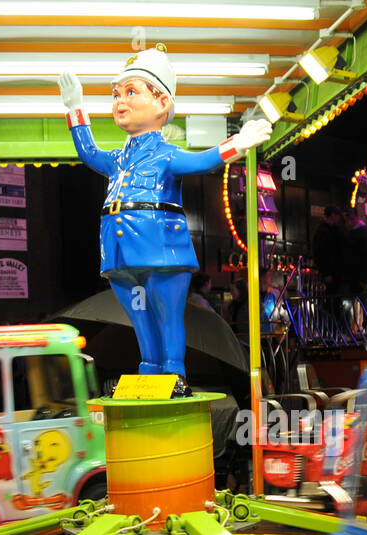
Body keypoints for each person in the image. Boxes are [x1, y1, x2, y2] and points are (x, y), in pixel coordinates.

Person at [58, 46, 271, 396]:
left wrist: (237, 145)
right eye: (116, 94)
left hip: (161, 248)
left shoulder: (167, 155)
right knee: (139, 315)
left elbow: (203, 161)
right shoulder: (117, 159)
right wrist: (75, 109)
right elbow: (89, 153)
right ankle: (151, 370)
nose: (119, 102)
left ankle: (174, 372)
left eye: (131, 92)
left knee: (166, 313)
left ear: (161, 103)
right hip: (120, 251)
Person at [312, 205, 345, 293]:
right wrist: (326, 273)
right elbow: (321, 253)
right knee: (332, 294)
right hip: (332, 271)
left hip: (333, 270)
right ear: (333, 215)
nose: (339, 218)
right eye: (337, 215)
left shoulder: (324, 230)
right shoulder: (325, 232)